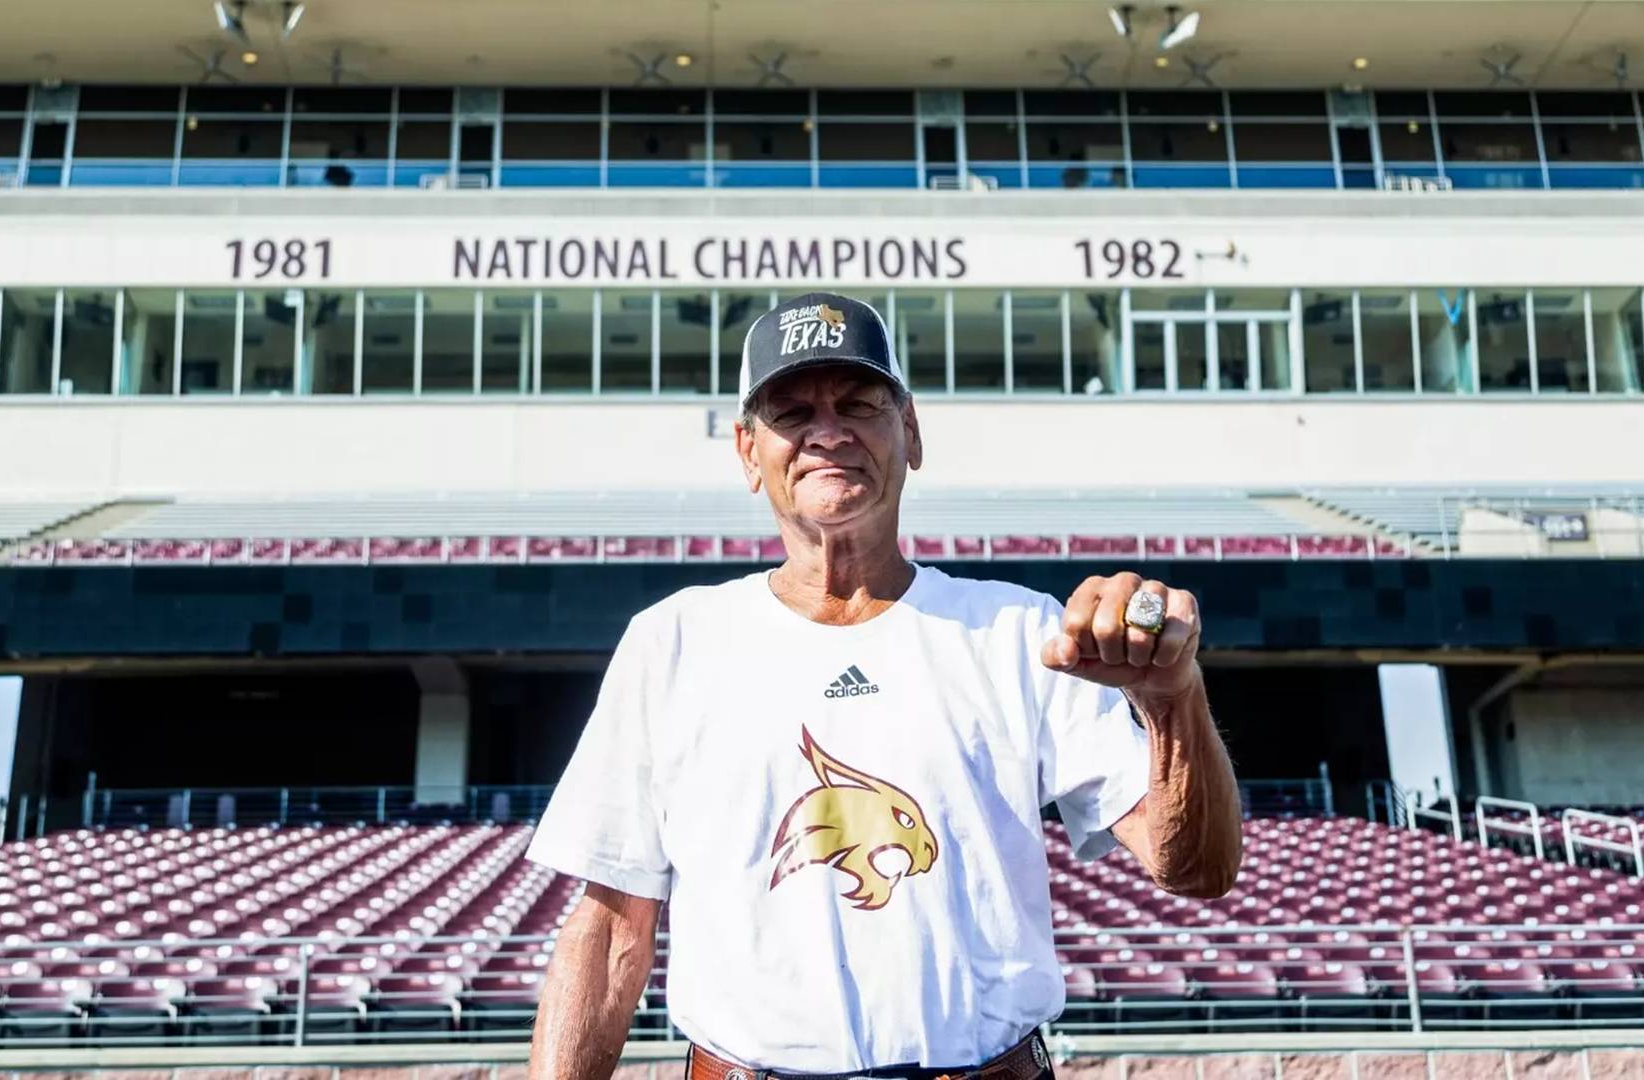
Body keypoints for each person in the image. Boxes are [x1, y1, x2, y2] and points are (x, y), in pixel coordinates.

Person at [525, 291, 1243, 1080]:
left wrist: (1173, 697)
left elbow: (1195, 869)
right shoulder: (674, 642)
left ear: (911, 430)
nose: (827, 432)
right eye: (791, 412)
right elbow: (611, 930)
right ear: (745, 450)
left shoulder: (1018, 633)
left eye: (859, 402)